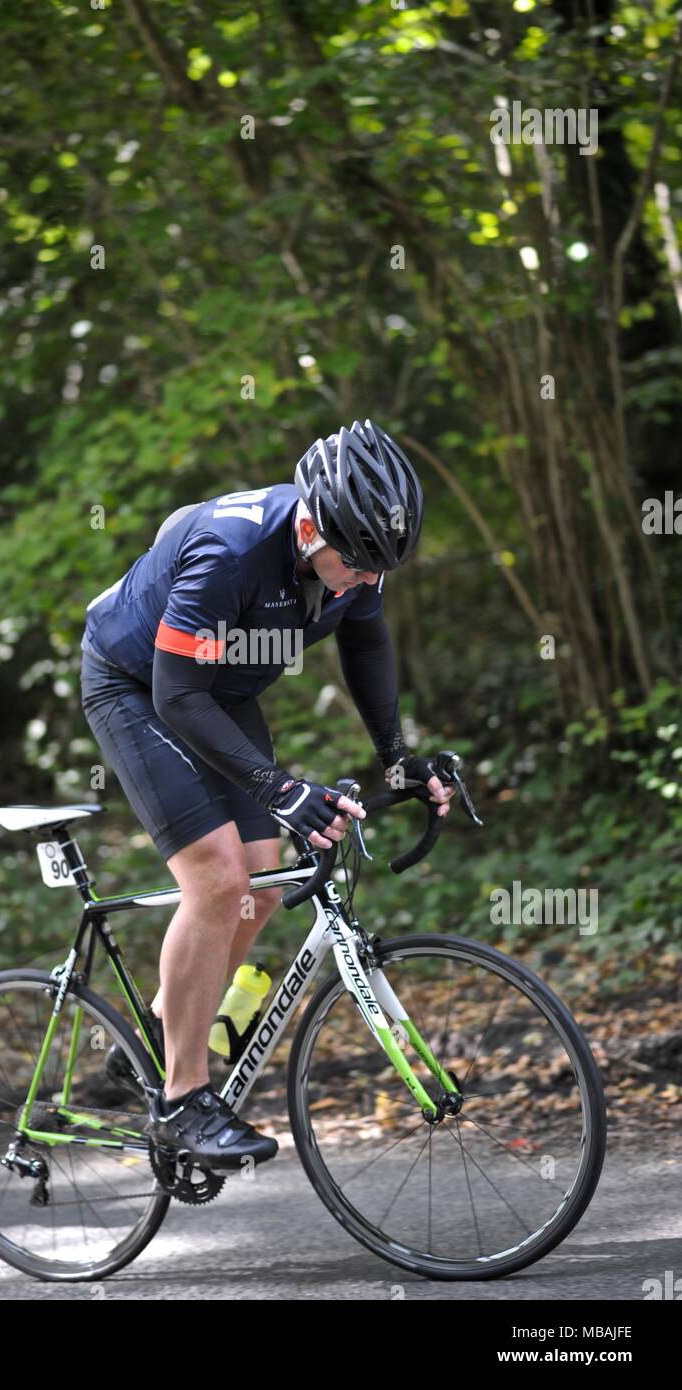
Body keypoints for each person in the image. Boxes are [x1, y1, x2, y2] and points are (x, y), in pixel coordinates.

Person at [79, 419, 454, 1171]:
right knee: (218, 880)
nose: (365, 580)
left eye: (380, 569)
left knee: (262, 879)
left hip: (218, 689)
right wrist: (280, 788)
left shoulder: (359, 547)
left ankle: (154, 1039)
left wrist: (396, 761)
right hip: (140, 686)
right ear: (311, 527)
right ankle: (183, 1100)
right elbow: (175, 694)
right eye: (356, 565)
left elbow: (365, 639)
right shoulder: (231, 551)